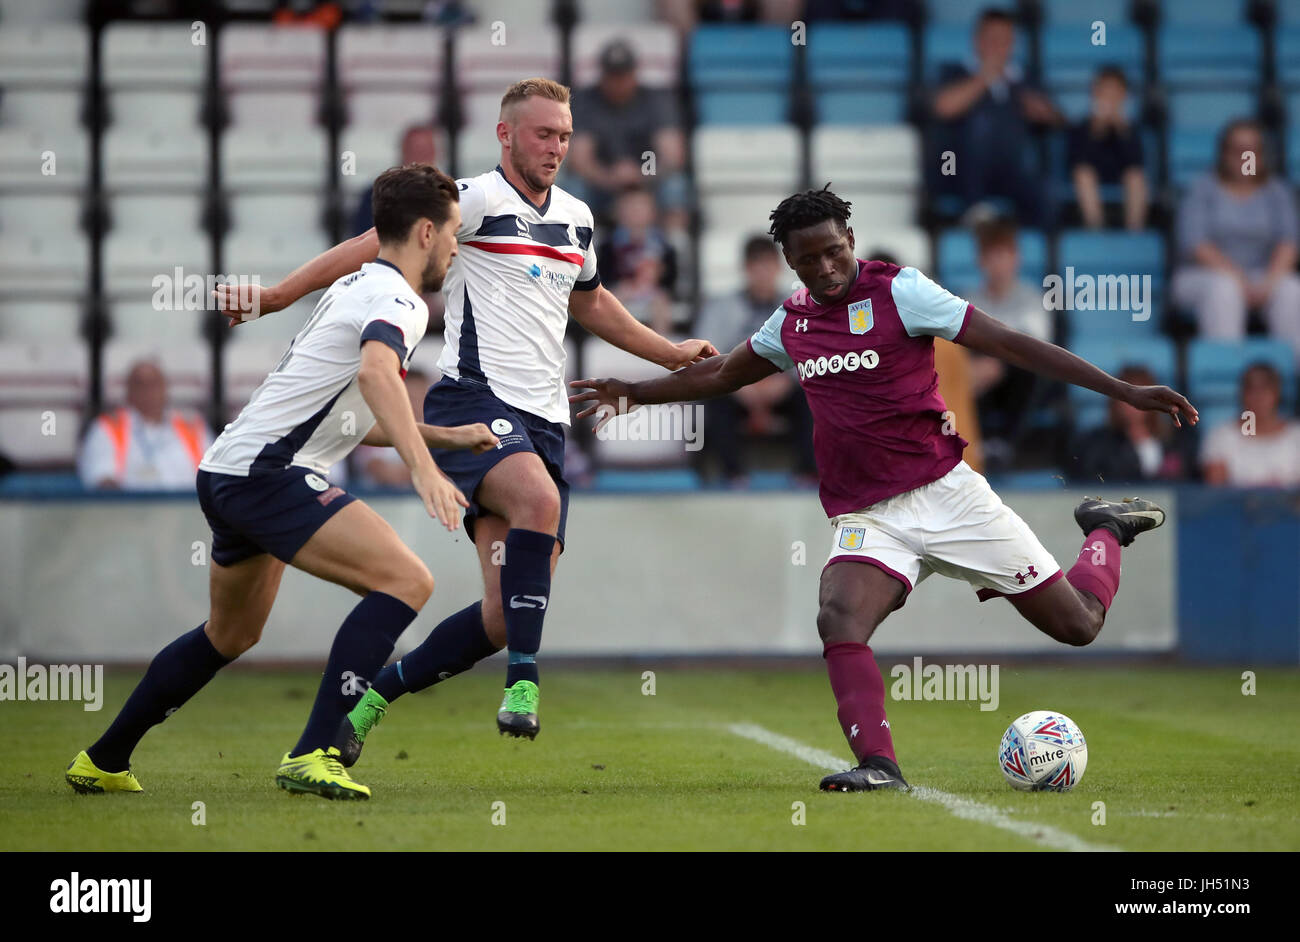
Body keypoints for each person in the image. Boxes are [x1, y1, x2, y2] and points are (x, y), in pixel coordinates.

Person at [571, 186, 1197, 792]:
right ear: (790, 262)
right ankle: (879, 765)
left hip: (949, 494)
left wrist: (1125, 391)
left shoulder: (902, 291)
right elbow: (724, 375)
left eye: (833, 250)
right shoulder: (790, 322)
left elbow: (1009, 344)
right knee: (839, 616)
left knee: (1079, 625)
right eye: (808, 259)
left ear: (850, 238)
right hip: (870, 513)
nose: (825, 267)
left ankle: (1107, 529)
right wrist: (636, 392)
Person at [214, 78, 716, 751]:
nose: (556, 147)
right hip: (476, 402)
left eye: (565, 135)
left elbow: (592, 304)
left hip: (544, 421)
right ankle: (525, 685)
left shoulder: (576, 216)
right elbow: (373, 242)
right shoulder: (473, 199)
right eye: (543, 134)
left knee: (503, 614)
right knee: (537, 505)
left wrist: (670, 354)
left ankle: (368, 703)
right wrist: (278, 295)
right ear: (506, 134)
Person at [67, 164, 499, 801]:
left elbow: (354, 414)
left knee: (231, 634)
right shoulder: (401, 302)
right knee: (406, 581)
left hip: (229, 470)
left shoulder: (355, 285)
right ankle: (318, 751)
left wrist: (449, 438)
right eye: (457, 233)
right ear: (428, 232)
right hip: (269, 475)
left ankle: (102, 759)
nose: (459, 248)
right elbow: (381, 379)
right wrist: (423, 470)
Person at [1171, 119, 1300, 362]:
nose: (1244, 157)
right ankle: (1227, 373)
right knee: (1224, 289)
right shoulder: (1202, 189)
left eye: (1251, 150)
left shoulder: (1277, 191)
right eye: (1237, 150)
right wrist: (1239, 279)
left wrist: (1270, 282)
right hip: (1204, 276)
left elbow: (1289, 243)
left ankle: (1288, 377)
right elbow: (1196, 244)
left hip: (1262, 276)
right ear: (1223, 153)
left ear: (1261, 155)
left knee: (1291, 289)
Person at [694, 234, 815, 483]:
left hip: (784, 386)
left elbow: (811, 353)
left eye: (768, 266)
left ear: (778, 268)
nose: (763, 274)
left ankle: (808, 473)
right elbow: (705, 354)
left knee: (814, 396)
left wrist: (783, 383)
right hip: (736, 387)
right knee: (714, 401)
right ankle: (734, 476)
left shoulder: (798, 308)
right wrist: (740, 386)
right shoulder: (721, 308)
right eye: (756, 267)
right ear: (745, 269)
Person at [931, 7, 1062, 226]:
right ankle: (976, 213)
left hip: (1012, 170)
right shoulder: (955, 71)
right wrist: (986, 76)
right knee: (980, 126)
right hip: (960, 173)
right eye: (992, 39)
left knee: (1046, 192)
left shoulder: (1024, 78)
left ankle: (1039, 248)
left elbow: (1058, 119)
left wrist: (1042, 111)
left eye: (1005, 40)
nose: (998, 47)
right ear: (977, 40)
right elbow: (943, 108)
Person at [963, 217, 1057, 467]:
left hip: (1019, 379)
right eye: (992, 256)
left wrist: (997, 364)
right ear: (980, 260)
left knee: (1027, 366)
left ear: (1016, 258)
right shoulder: (970, 299)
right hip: (981, 379)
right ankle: (975, 443)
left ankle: (1005, 442)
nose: (998, 264)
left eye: (1003, 255)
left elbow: (1037, 346)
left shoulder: (1031, 298)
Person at [567, 40, 686, 220]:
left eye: (623, 75)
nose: (618, 82)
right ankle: (579, 244)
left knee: (675, 188)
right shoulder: (587, 101)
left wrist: (641, 174)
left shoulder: (655, 100)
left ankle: (673, 246)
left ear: (634, 73)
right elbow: (580, 159)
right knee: (573, 189)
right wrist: (609, 177)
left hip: (649, 179)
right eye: (612, 75)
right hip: (602, 182)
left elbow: (672, 155)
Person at [78, 360, 212, 491]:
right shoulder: (106, 428)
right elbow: (101, 481)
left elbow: (215, 477)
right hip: (129, 511)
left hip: (189, 511)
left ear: (165, 388)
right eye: (140, 385)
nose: (148, 391)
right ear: (128, 391)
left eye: (154, 384)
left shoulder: (194, 427)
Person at [1069, 365, 1194, 483]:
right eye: (1125, 399)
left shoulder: (1176, 440)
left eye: (1142, 396)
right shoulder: (1097, 445)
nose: (1132, 405)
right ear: (1115, 403)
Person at [1067, 65, 1148, 231]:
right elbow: (1076, 161)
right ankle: (1096, 229)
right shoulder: (1081, 127)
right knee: (1083, 175)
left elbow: (1136, 162)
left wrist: (1121, 130)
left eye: (1114, 93)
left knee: (1136, 178)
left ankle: (1134, 232)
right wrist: (1096, 130)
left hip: (1120, 178)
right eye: (1104, 91)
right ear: (1094, 94)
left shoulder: (1130, 130)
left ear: (1123, 95)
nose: (1109, 98)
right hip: (1091, 179)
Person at [1201, 361, 1300, 487]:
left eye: (1265, 389)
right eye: (1251, 389)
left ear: (1277, 393)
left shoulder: (1296, 436)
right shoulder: (1222, 436)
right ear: (1242, 394)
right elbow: (1217, 494)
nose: (1258, 397)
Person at [352, 367, 433, 488]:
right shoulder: (375, 425)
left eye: (421, 396)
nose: (416, 403)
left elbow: (445, 471)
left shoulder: (439, 428)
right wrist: (427, 471)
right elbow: (381, 472)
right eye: (410, 397)